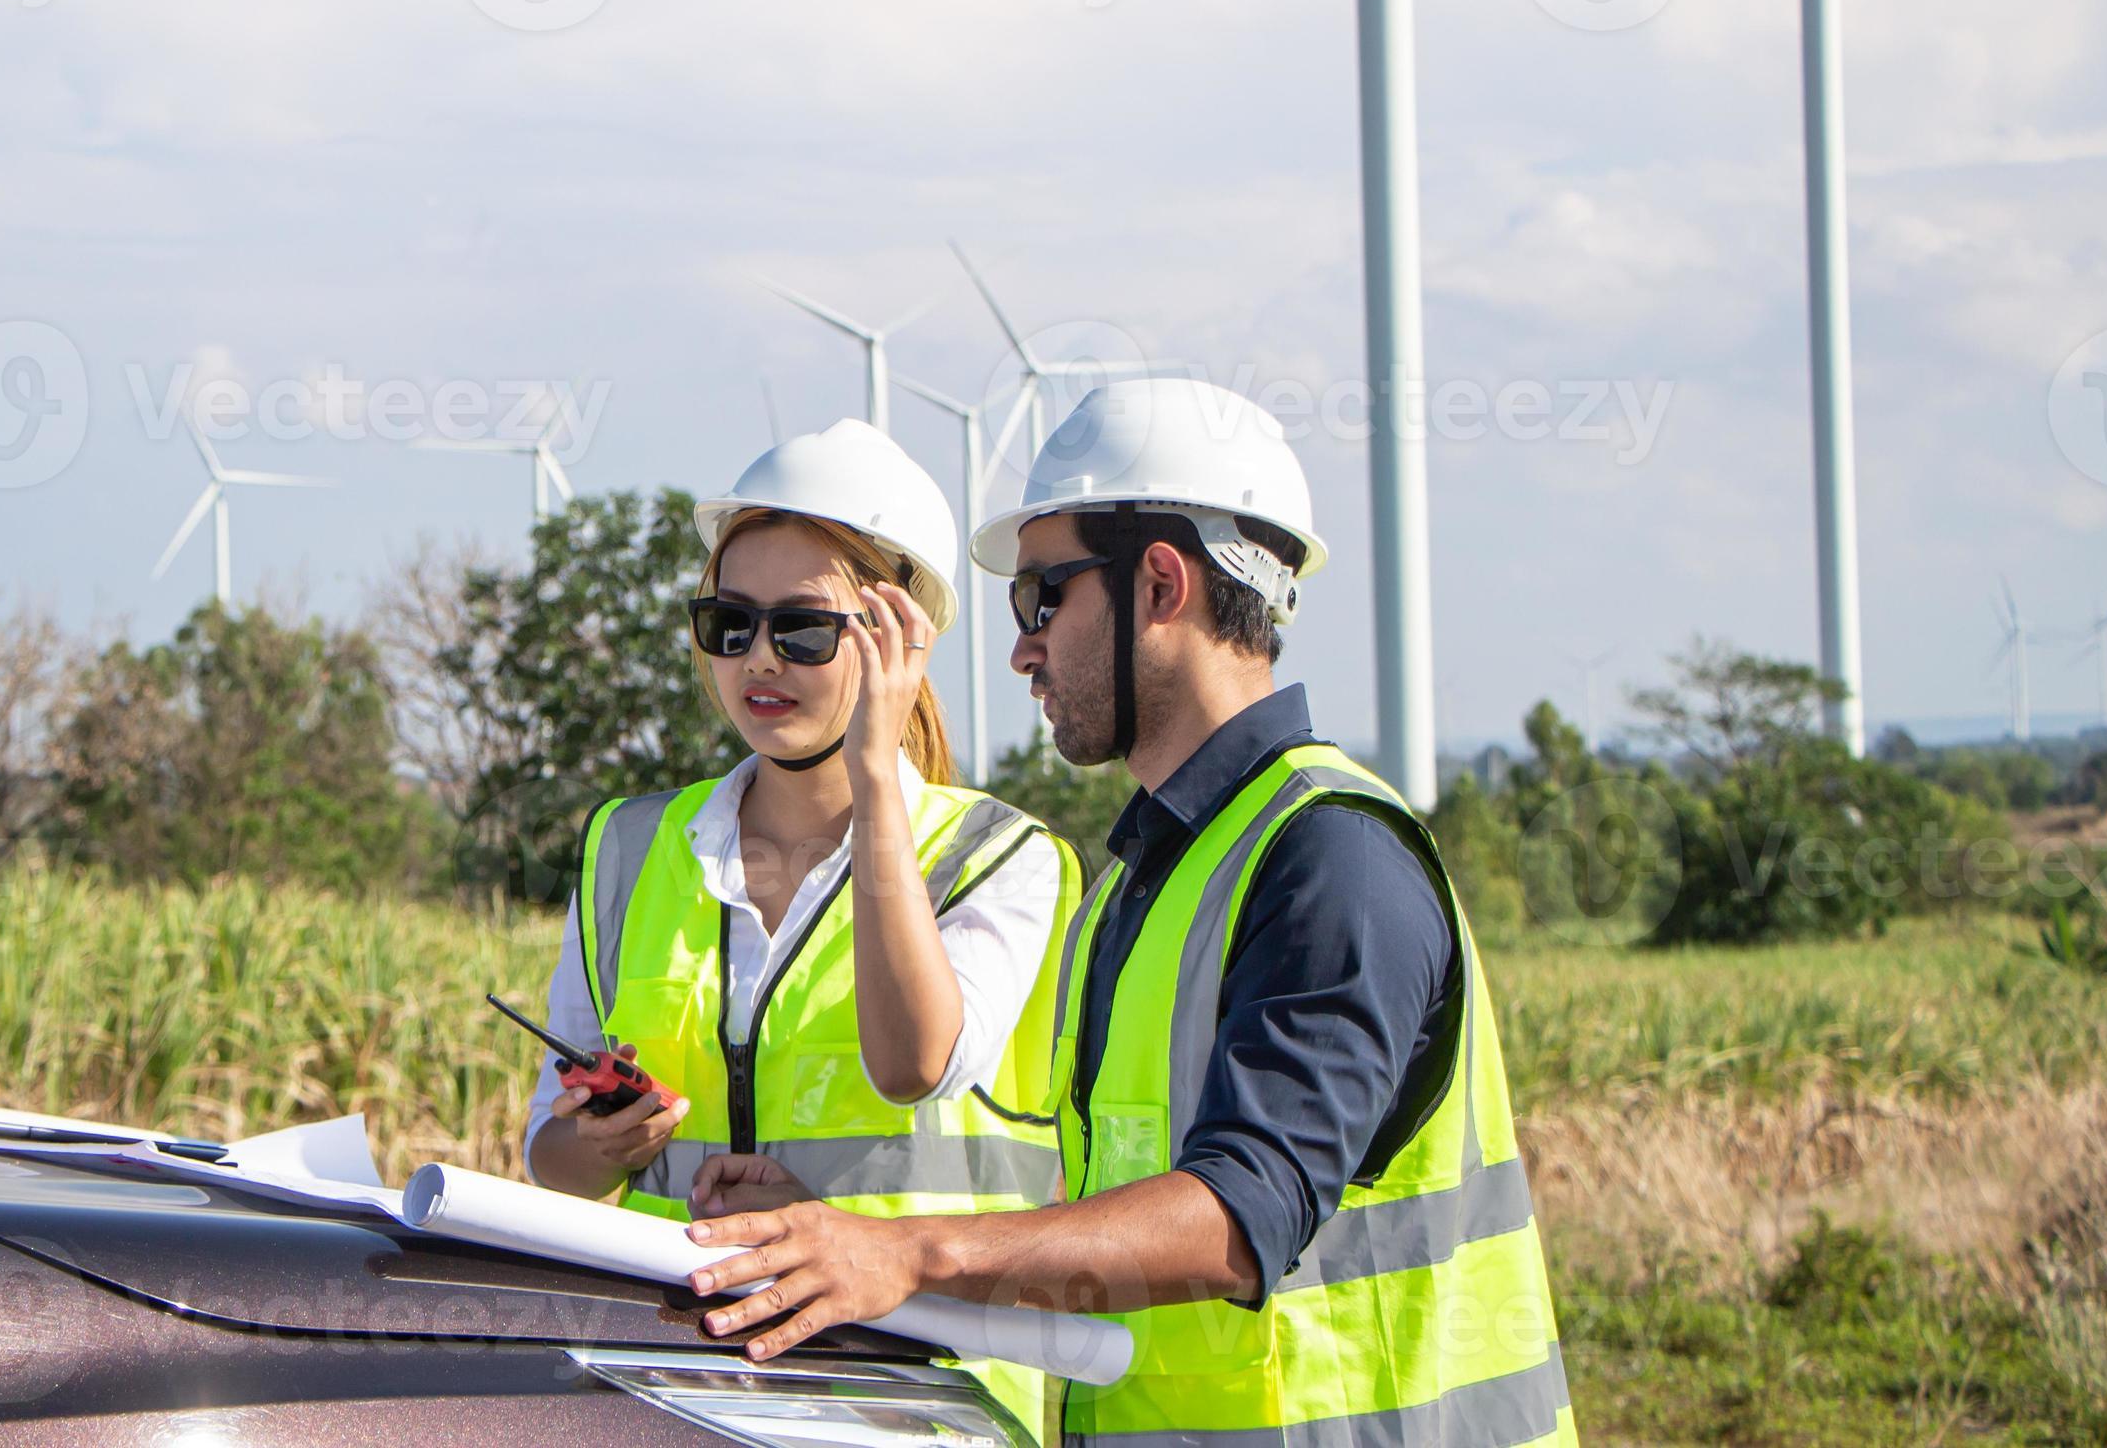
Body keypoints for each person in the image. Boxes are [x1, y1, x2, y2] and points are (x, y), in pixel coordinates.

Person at [679, 379, 1576, 1448]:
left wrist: (906, 1253)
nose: (1021, 648)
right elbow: (1092, 1220)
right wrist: (844, 1231)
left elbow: (1239, 1221)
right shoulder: (1142, 882)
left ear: (1159, 584)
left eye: (1043, 597)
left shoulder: (1330, 857)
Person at [520, 417, 1080, 1431]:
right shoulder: (628, 849)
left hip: (915, 1401)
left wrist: (876, 775)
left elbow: (914, 1062)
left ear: (899, 635)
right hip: (671, 1392)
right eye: (728, 623)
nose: (758, 659)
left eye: (803, 629)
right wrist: (603, 1143)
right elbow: (548, 1161)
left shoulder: (1000, 859)